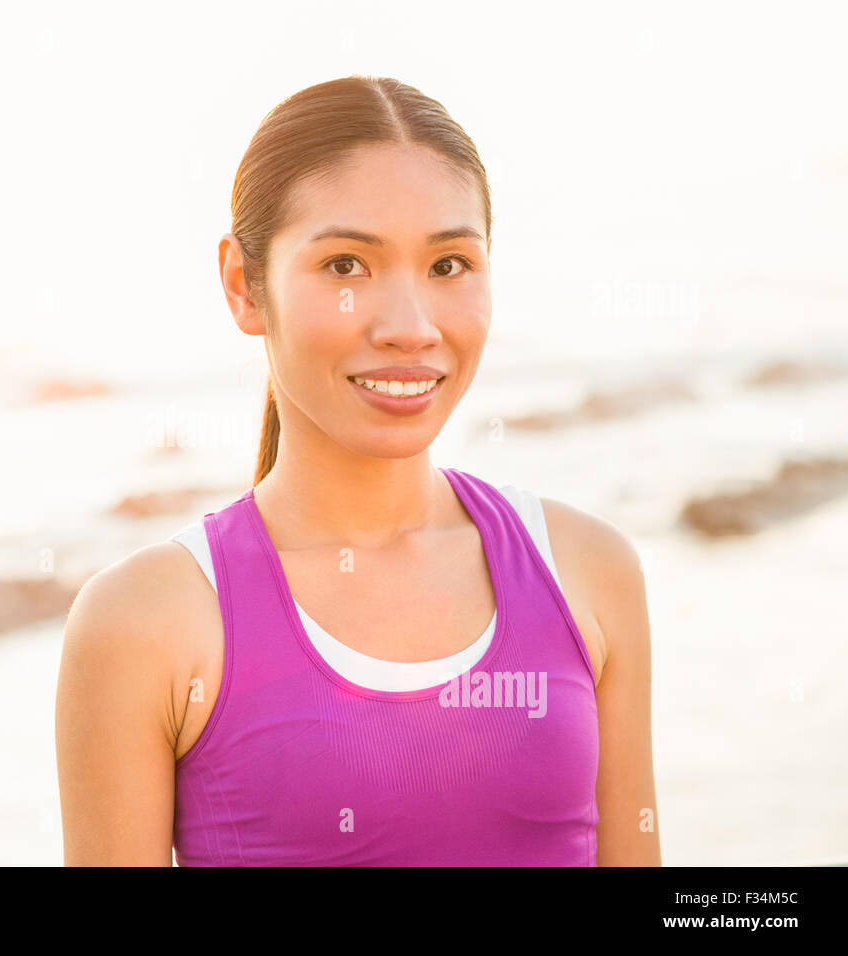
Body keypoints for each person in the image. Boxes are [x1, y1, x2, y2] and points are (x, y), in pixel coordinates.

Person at [56, 75, 660, 866]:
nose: (409, 328)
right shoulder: (145, 624)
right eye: (346, 266)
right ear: (245, 285)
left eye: (449, 265)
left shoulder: (589, 570)